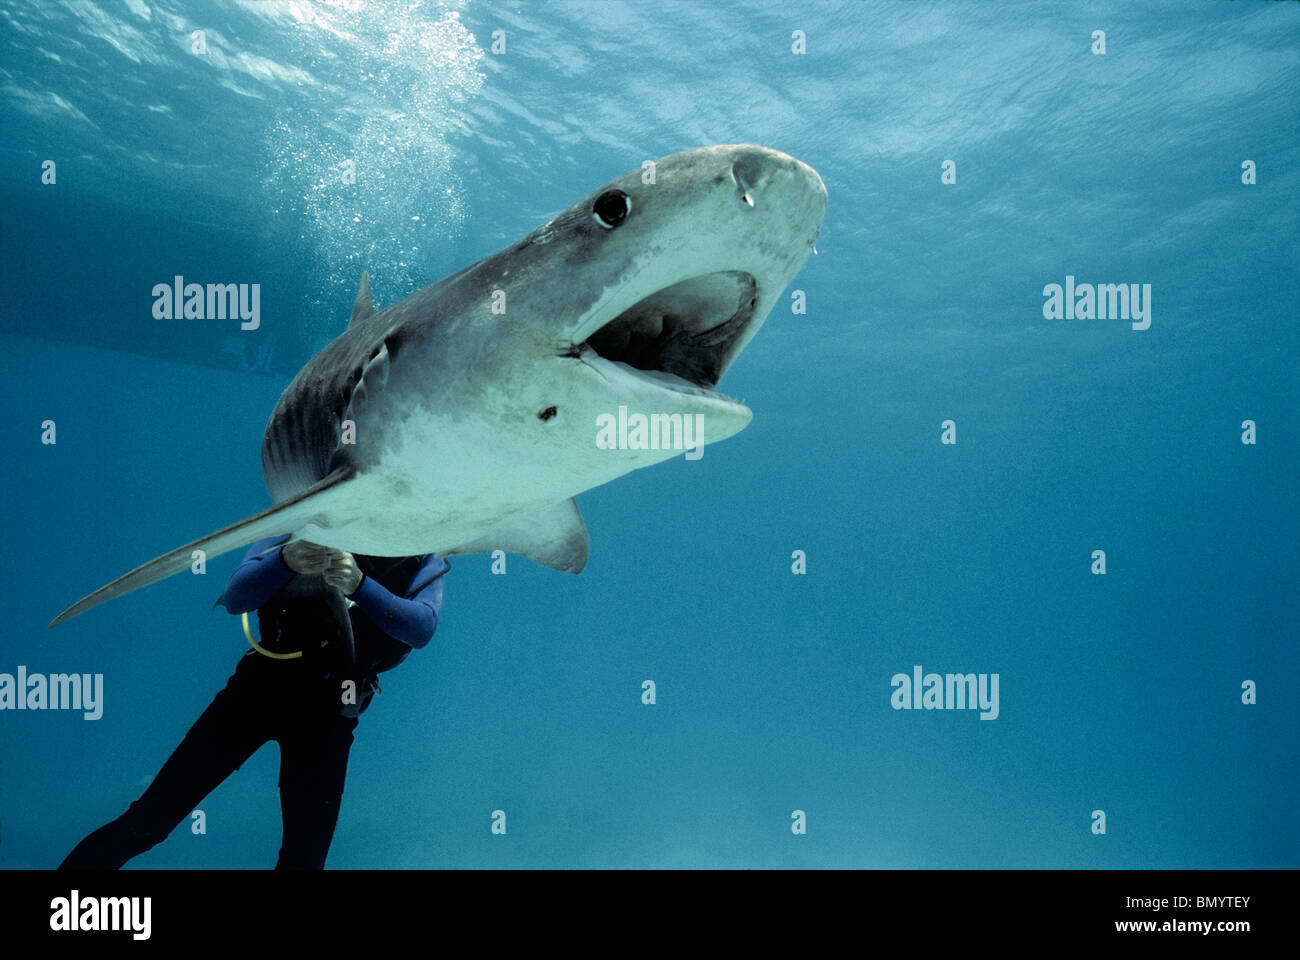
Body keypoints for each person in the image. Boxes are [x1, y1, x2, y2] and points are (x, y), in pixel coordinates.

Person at [58, 536, 449, 869]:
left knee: (304, 858)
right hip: (259, 689)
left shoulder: (422, 551)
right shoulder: (305, 519)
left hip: (330, 710)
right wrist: (285, 559)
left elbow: (422, 627)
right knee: (149, 822)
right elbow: (237, 596)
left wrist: (360, 584)